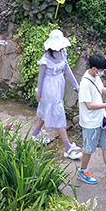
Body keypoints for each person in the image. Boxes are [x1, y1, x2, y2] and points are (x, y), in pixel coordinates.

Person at [76, 52, 106, 190]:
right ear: (94, 69)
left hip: (101, 121)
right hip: (90, 122)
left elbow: (100, 89)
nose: (102, 73)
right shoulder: (85, 83)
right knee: (89, 150)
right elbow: (89, 105)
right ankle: (82, 171)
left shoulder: (95, 77)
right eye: (101, 70)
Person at [30, 28, 82, 161]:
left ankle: (35, 135)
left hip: (59, 85)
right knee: (58, 115)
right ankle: (68, 147)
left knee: (46, 109)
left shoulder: (63, 53)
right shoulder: (45, 59)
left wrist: (76, 85)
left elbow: (67, 69)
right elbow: (40, 78)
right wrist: (39, 92)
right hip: (49, 87)